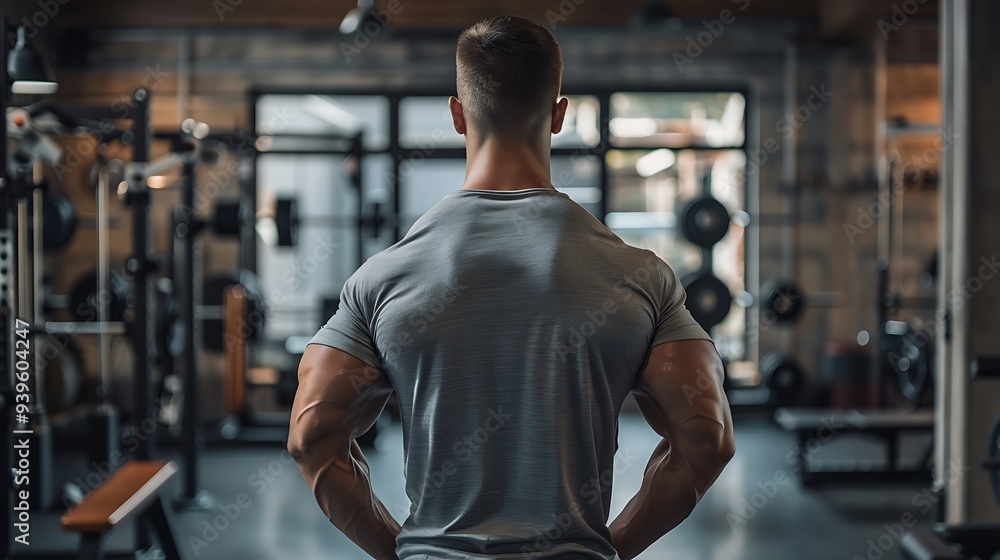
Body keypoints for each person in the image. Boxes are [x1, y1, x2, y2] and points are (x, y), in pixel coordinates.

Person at [287, 15, 735, 560]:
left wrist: (400, 551)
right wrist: (611, 548)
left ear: (457, 114)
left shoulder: (380, 279)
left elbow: (311, 437)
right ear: (559, 115)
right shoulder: (642, 276)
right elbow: (706, 438)